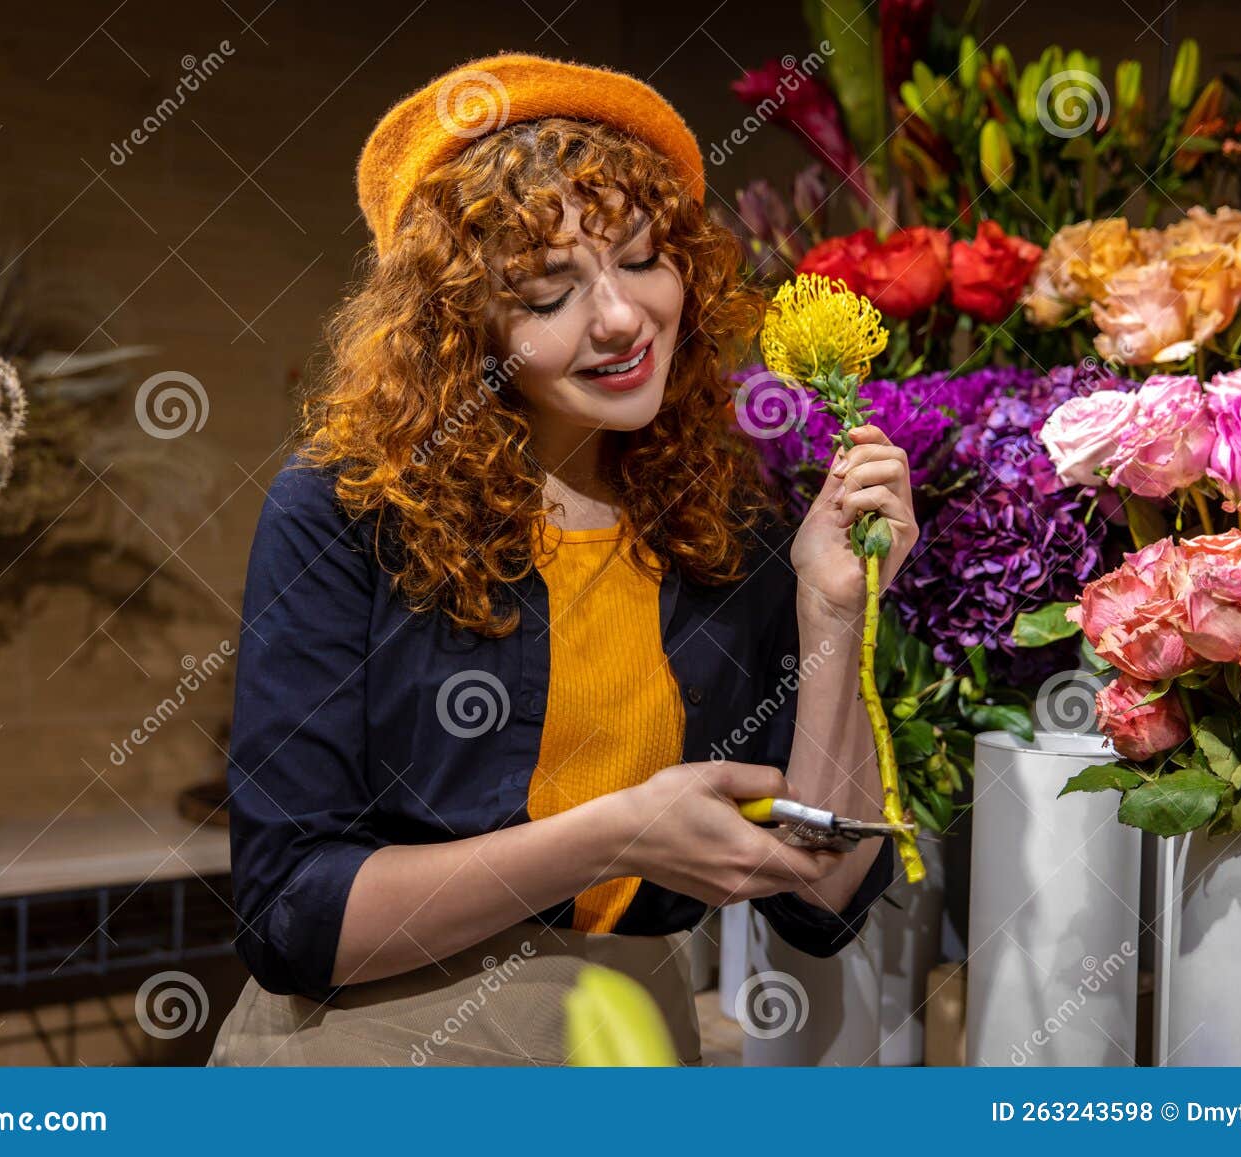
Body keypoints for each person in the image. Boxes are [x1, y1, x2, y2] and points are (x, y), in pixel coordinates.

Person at [209, 51, 919, 1067]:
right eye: (548, 294)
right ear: (460, 329)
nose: (621, 317)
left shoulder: (727, 522)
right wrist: (614, 834)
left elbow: (819, 899)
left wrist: (833, 608)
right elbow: (290, 916)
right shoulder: (348, 511)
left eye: (639, 258)